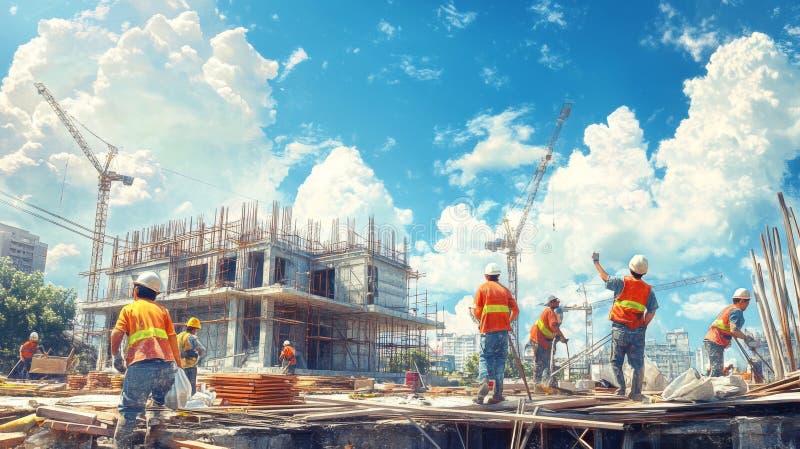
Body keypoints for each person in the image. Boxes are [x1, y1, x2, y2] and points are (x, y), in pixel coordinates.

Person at [110, 271, 182, 449]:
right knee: (157, 406)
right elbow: (172, 338)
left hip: (141, 363)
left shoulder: (129, 309)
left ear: (136, 291)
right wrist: (178, 365)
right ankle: (152, 443)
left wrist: (115, 356)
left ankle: (122, 446)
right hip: (166, 366)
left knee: (129, 409)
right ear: (155, 294)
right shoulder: (163, 311)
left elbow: (117, 333)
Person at [592, 252, 658, 401]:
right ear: (644, 272)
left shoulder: (622, 282)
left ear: (630, 268)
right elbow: (652, 310)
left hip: (620, 329)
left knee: (616, 361)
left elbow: (605, 277)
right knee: (637, 364)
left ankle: (621, 389)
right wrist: (643, 324)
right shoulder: (648, 290)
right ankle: (636, 393)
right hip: (638, 331)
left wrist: (596, 262)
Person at [471, 262, 519, 405]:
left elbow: (477, 311)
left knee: (485, 358)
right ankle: (497, 394)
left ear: (486, 276)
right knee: (500, 360)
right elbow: (516, 310)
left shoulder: (483, 288)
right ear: (498, 275)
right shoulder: (505, 291)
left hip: (488, 330)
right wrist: (507, 322)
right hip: (503, 332)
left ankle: (483, 386)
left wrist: (482, 320)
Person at [703, 288, 753, 377]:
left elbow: (729, 329)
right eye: (747, 303)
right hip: (715, 341)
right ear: (742, 301)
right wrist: (746, 338)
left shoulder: (730, 308)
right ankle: (712, 385)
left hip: (713, 340)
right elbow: (734, 330)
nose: (747, 305)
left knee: (717, 370)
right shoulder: (736, 311)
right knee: (717, 372)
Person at [529, 295, 567, 392]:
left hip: (542, 341)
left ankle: (543, 385)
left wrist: (558, 338)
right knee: (540, 363)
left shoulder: (550, 313)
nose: (558, 302)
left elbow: (552, 331)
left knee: (546, 364)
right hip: (538, 340)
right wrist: (562, 337)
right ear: (551, 303)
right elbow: (554, 327)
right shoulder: (550, 312)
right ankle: (538, 386)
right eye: (556, 301)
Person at [177, 317, 206, 395]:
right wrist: (199, 360)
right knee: (191, 388)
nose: (196, 332)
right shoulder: (191, 337)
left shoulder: (178, 336)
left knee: (181, 388)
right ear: (194, 329)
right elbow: (202, 350)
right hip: (190, 367)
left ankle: (181, 401)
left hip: (179, 367)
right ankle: (191, 401)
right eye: (197, 330)